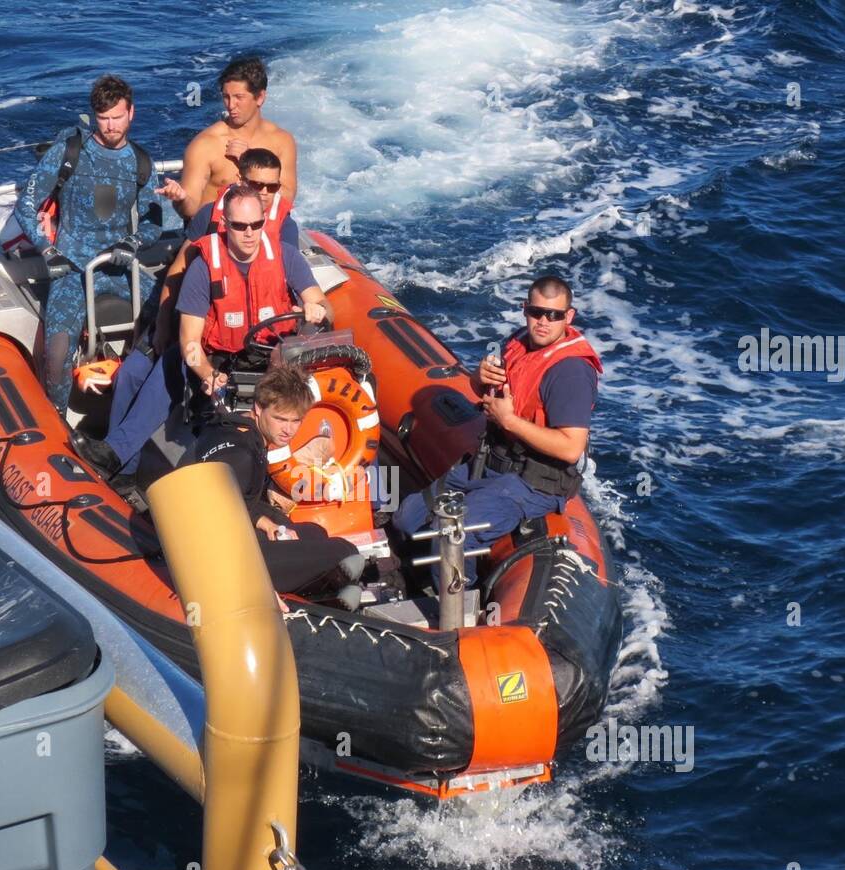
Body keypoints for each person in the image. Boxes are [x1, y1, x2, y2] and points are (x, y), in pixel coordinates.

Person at [73, 184, 330, 491]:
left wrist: (316, 308)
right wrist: (207, 373)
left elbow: (324, 304)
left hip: (273, 359)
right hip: (221, 361)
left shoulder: (285, 256)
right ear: (225, 225)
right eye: (239, 226)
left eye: (256, 225)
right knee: (174, 362)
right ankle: (117, 455)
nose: (249, 233)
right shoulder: (203, 268)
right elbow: (191, 343)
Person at [393, 275, 603, 572]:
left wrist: (510, 421)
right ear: (525, 309)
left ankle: (458, 611)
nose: (543, 321)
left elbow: (571, 448)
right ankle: (409, 578)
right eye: (536, 312)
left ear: (568, 317)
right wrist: (478, 379)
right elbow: (487, 394)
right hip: (488, 465)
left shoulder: (571, 372)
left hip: (532, 485)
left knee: (450, 537)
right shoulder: (517, 343)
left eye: (554, 315)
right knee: (406, 518)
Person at [16, 75, 185, 411]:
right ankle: (59, 423)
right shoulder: (69, 153)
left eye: (117, 117)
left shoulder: (141, 162)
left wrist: (131, 244)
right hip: (72, 269)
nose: (110, 126)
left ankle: (153, 401)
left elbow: (154, 223)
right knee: (58, 354)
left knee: (174, 317)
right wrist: (46, 248)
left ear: (131, 113)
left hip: (120, 267)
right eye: (103, 118)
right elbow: (25, 206)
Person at [189, 365, 365, 607]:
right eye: (280, 419)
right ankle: (315, 600)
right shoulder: (240, 456)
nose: (288, 430)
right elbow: (215, 524)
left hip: (236, 529)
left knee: (316, 533)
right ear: (258, 409)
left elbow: (236, 501)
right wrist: (259, 586)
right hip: (222, 559)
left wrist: (265, 522)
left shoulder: (236, 430)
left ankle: (323, 594)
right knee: (345, 552)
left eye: (295, 421)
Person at [152, 147, 298, 354]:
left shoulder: (285, 227)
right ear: (240, 180)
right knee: (135, 373)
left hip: (268, 337)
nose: (264, 193)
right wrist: (163, 324)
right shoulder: (209, 215)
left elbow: (296, 281)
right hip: (206, 327)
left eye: (272, 186)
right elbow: (178, 270)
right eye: (257, 185)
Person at [170, 56, 298, 223]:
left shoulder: (282, 141)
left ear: (260, 98)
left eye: (239, 97)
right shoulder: (205, 144)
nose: (230, 105)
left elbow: (287, 198)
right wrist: (180, 198)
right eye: (226, 97)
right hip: (216, 234)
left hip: (264, 231)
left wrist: (249, 164)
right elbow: (191, 209)